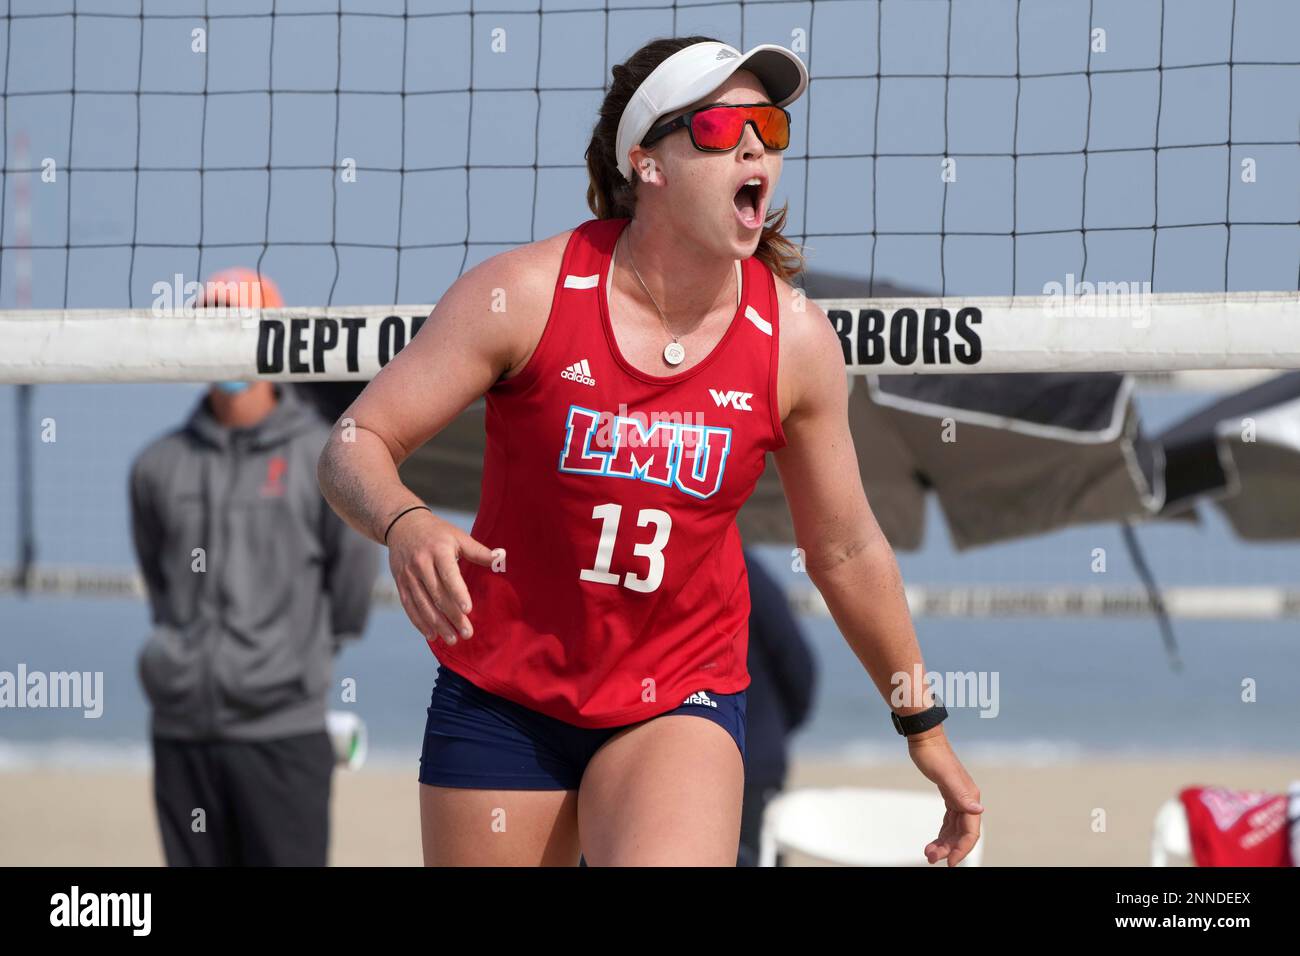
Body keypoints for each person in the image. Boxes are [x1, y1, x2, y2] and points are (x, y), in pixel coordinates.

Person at [318, 36, 983, 867]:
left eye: (769, 128)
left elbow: (845, 547)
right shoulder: (522, 296)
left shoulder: (794, 339)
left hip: (676, 697)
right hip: (503, 693)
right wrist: (406, 522)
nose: (753, 146)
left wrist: (921, 723)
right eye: (717, 128)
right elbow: (353, 444)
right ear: (647, 165)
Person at [129, 268, 380, 866]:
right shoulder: (157, 466)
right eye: (209, 320)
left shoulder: (323, 458)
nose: (221, 335)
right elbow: (164, 590)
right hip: (183, 733)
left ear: (272, 334)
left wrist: (289, 663)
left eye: (236, 320)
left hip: (282, 735)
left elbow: (350, 591)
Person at [737, 548, 816, 866]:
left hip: (751, 761)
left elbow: (797, 665)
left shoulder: (743, 570)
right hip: (752, 752)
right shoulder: (747, 569)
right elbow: (797, 666)